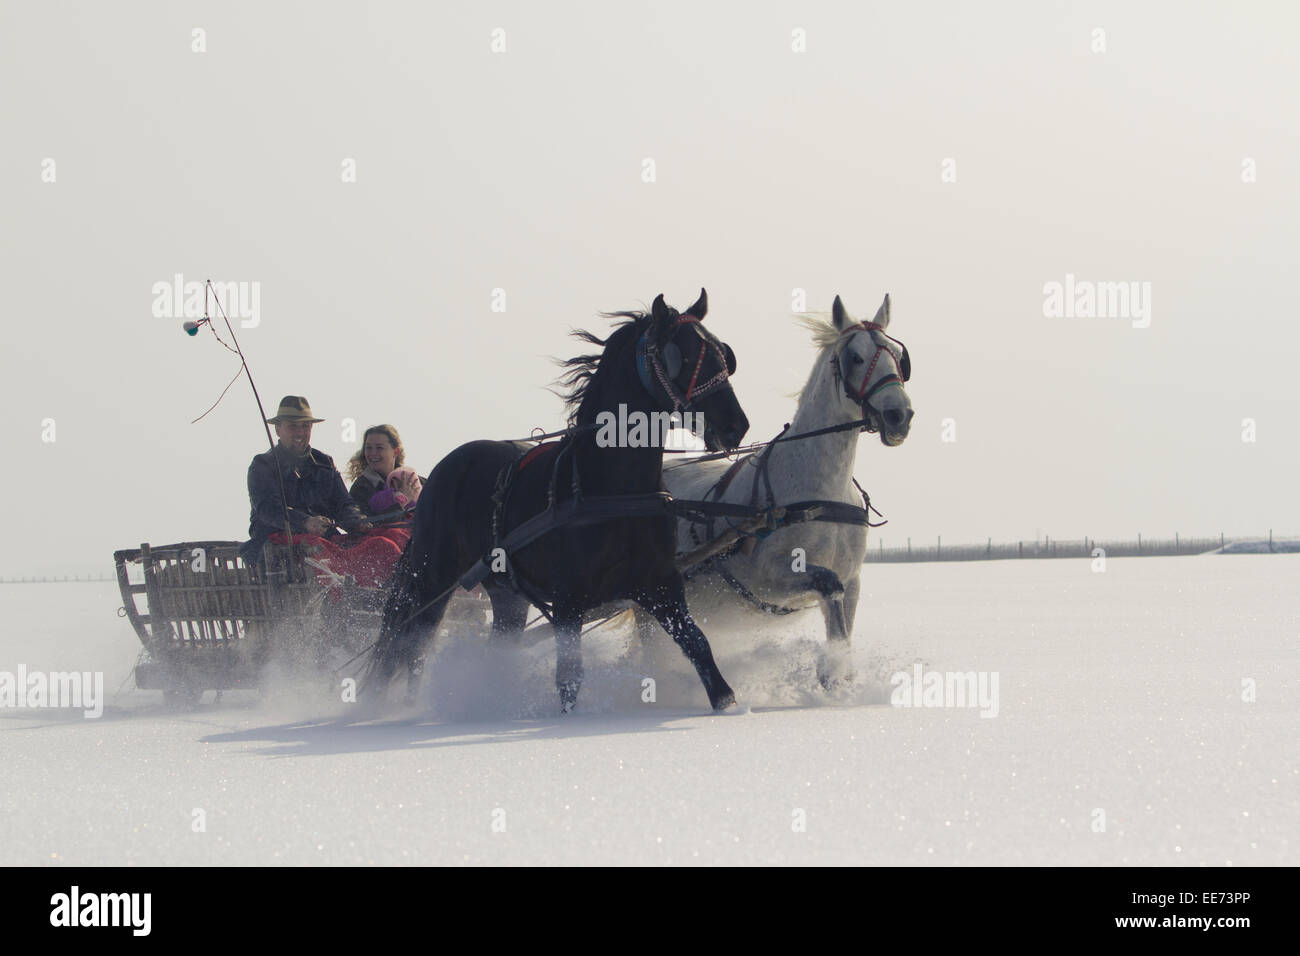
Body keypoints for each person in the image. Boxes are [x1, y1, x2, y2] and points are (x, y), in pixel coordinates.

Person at [240, 396, 373, 566]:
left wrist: (356, 520)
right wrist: (305, 522)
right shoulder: (263, 465)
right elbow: (267, 509)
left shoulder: (325, 462)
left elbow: (343, 503)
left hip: (325, 544)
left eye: (305, 426)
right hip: (276, 551)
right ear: (278, 429)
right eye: (293, 426)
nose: (300, 433)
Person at [345, 425, 423, 518]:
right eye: (369, 448)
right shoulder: (361, 488)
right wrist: (402, 501)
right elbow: (369, 525)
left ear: (396, 452)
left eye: (379, 448)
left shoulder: (415, 481)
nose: (373, 453)